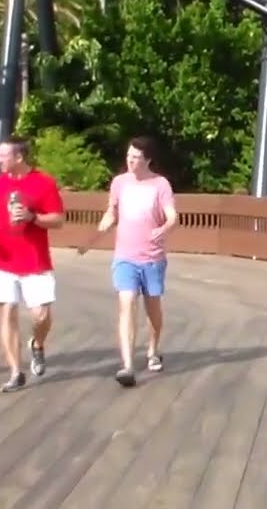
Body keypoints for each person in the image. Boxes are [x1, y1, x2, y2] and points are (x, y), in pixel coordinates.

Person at [0, 136, 65, 393]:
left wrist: (32, 217)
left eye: (3, 155)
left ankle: (37, 344)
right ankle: (15, 372)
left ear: (18, 157)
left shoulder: (43, 183)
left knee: (41, 315)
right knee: (6, 314)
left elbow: (58, 219)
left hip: (35, 262)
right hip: (3, 261)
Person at [87, 137, 177, 388]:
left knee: (152, 308)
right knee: (126, 304)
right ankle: (127, 365)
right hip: (125, 256)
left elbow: (172, 216)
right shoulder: (119, 183)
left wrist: (165, 228)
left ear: (147, 159)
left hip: (152, 257)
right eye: (128, 155)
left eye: (136, 157)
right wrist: (107, 219)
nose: (130, 160)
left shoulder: (160, 185)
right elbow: (112, 209)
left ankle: (153, 349)